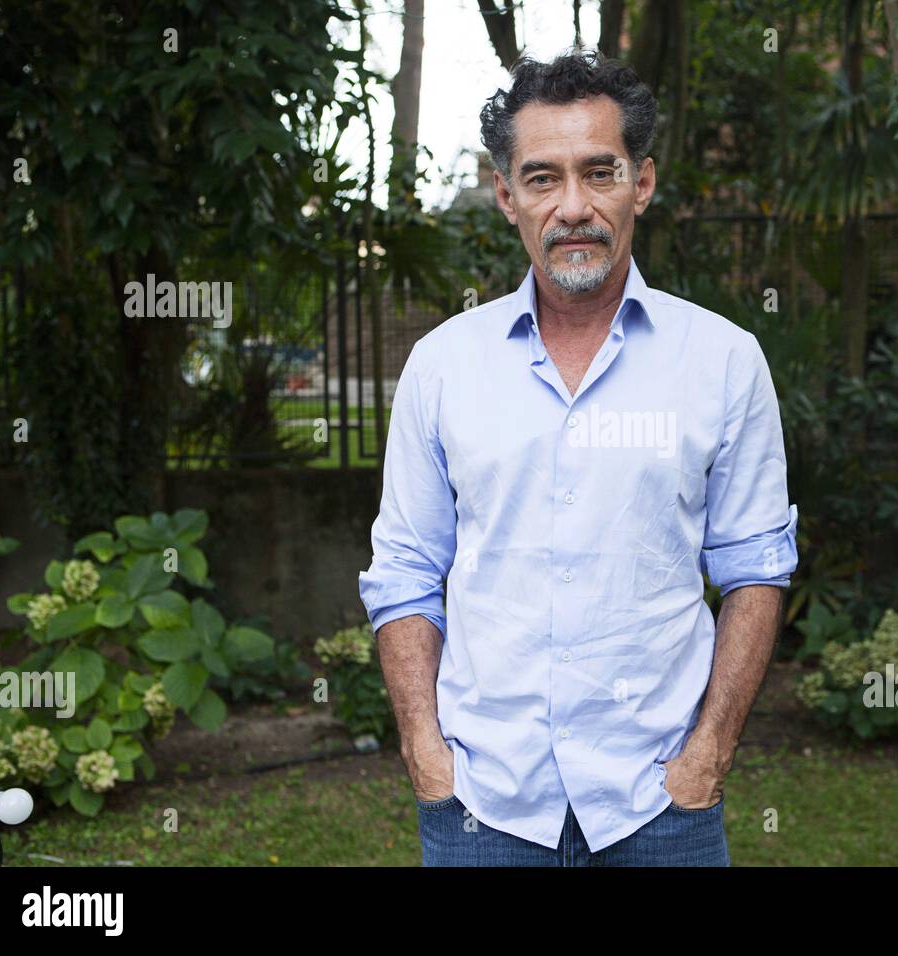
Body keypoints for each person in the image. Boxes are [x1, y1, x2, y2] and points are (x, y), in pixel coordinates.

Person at [359, 51, 798, 866]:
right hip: (481, 808)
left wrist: (706, 759)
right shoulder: (442, 364)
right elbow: (407, 570)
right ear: (506, 196)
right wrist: (427, 755)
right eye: (541, 178)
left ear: (643, 182)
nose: (572, 207)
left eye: (599, 172)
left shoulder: (724, 362)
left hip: (661, 808)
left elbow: (755, 569)